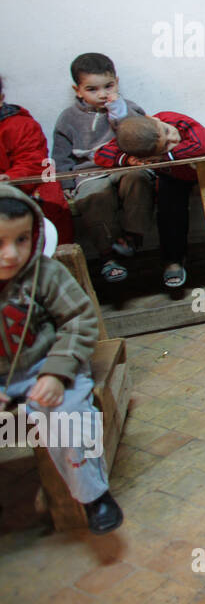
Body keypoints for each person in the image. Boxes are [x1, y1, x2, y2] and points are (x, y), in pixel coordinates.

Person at [0, 185, 122, 534]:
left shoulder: (45, 274)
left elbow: (78, 320)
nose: (11, 254)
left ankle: (92, 495)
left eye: (21, 240)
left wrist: (56, 374)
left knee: (68, 416)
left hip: (47, 364)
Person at [97, 113, 205, 288]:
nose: (172, 138)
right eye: (166, 145)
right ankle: (174, 260)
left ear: (154, 119)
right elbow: (101, 154)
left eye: (166, 131)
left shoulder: (176, 121)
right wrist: (128, 159)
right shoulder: (141, 139)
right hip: (174, 176)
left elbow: (200, 146)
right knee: (169, 212)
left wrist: (164, 157)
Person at [51, 53, 153, 283]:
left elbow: (143, 136)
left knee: (139, 179)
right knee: (93, 197)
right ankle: (109, 255)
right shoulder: (68, 118)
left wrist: (119, 112)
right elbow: (60, 155)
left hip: (126, 164)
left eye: (108, 86)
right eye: (92, 89)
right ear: (78, 90)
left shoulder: (128, 107)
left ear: (117, 82)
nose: (103, 94)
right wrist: (66, 182)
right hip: (90, 172)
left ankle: (133, 236)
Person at [0, 75, 73, 244]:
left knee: (49, 205)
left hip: (26, 185)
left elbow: (33, 162)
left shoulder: (21, 125)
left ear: (1, 98)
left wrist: (9, 177)